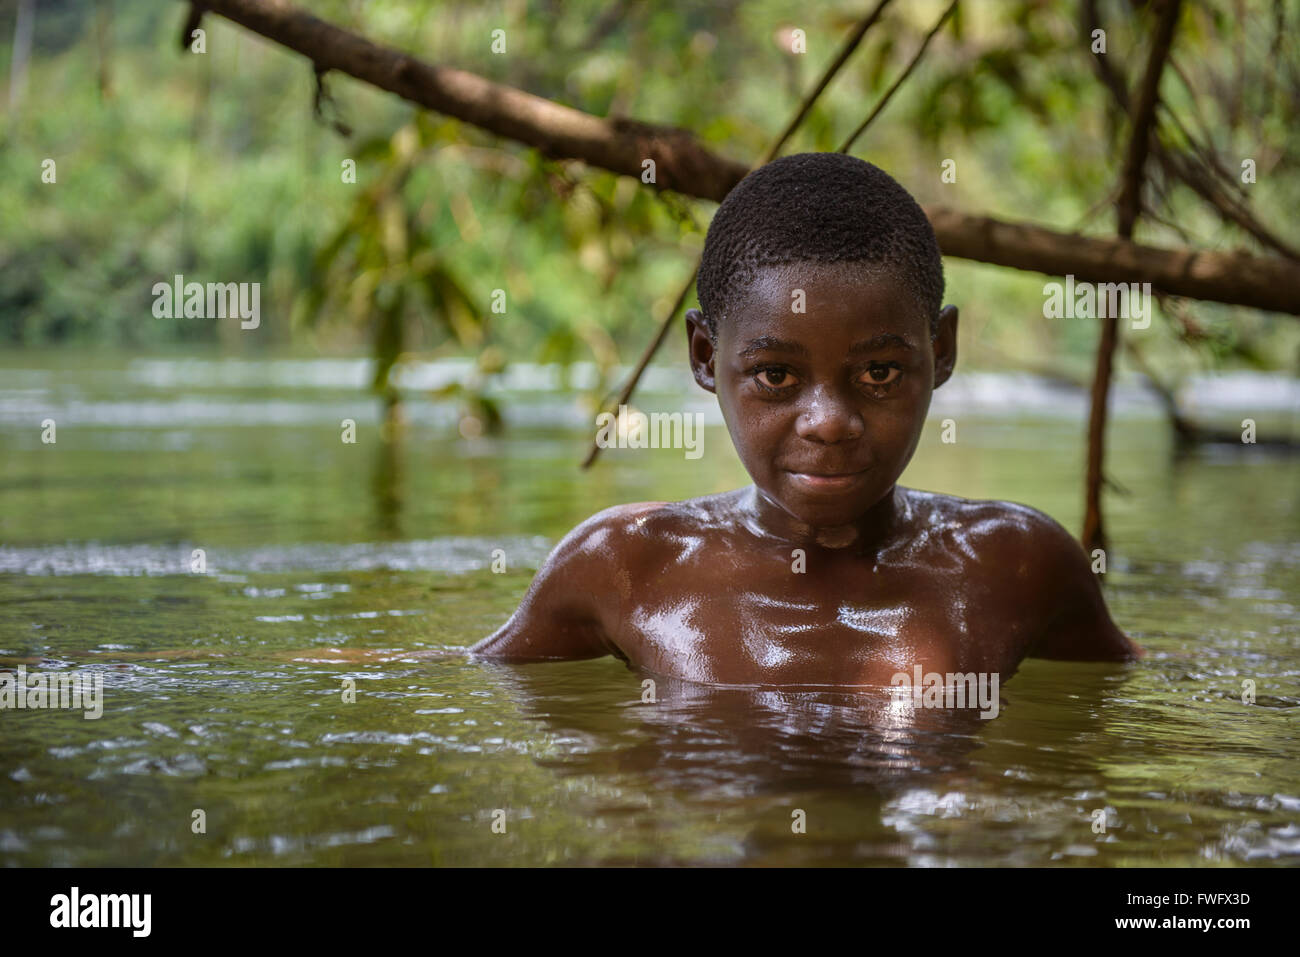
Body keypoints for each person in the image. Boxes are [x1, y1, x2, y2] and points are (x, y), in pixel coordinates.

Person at [471, 153, 1142, 693]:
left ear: (941, 351)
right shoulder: (623, 566)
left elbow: (1137, 699)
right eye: (776, 376)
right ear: (706, 356)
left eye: (879, 373)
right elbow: (459, 677)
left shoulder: (1017, 564)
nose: (828, 422)